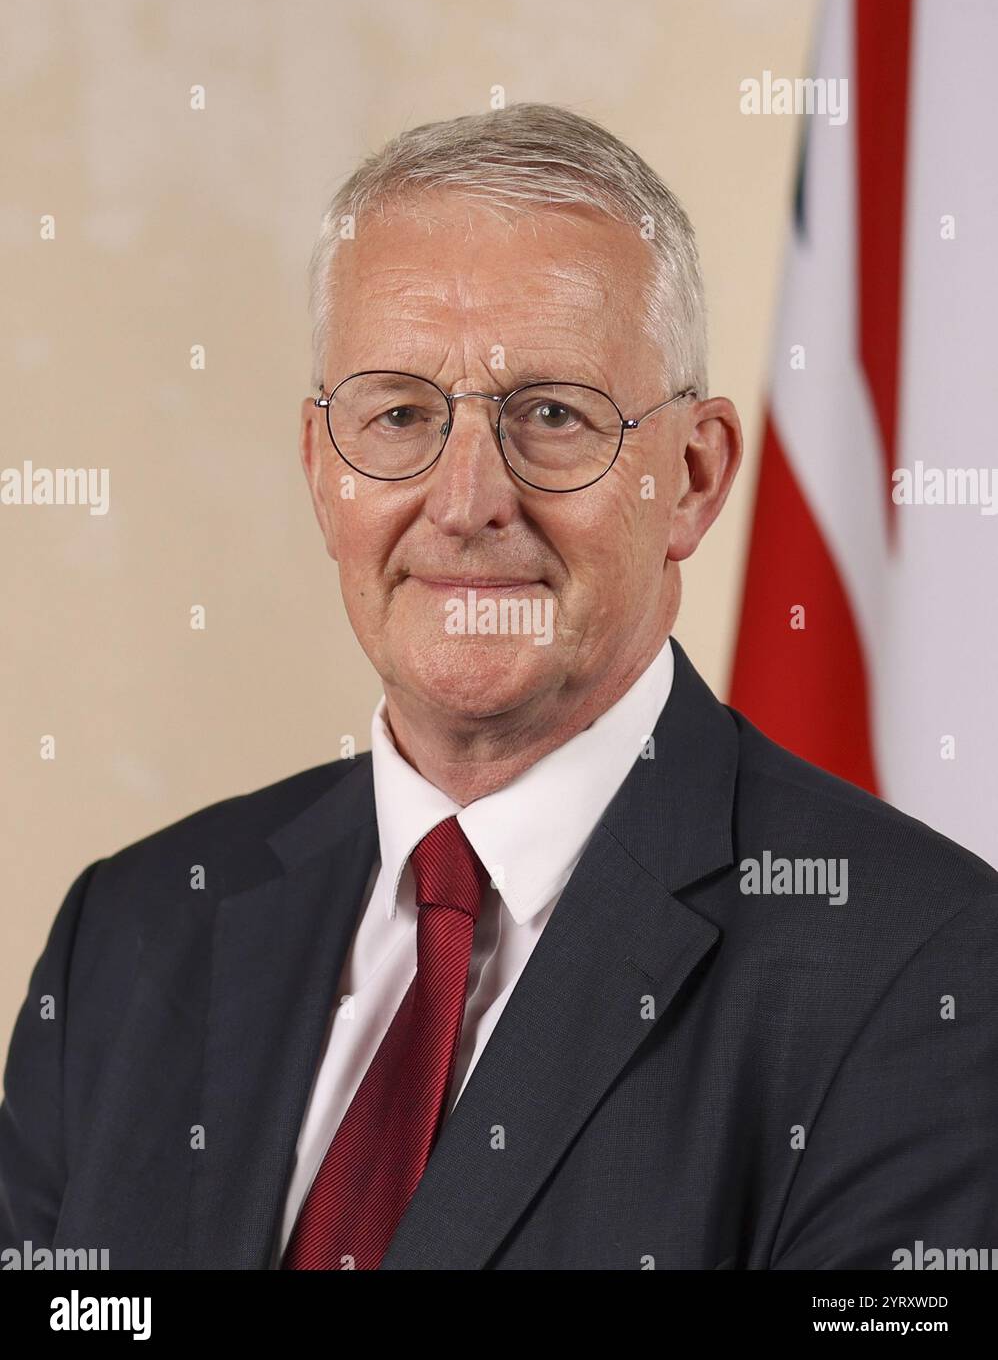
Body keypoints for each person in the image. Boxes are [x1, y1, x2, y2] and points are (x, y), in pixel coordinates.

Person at [2, 103, 996, 1272]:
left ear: (691, 476)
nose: (467, 499)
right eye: (399, 415)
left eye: (554, 415)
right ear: (322, 471)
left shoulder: (922, 969)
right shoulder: (130, 934)